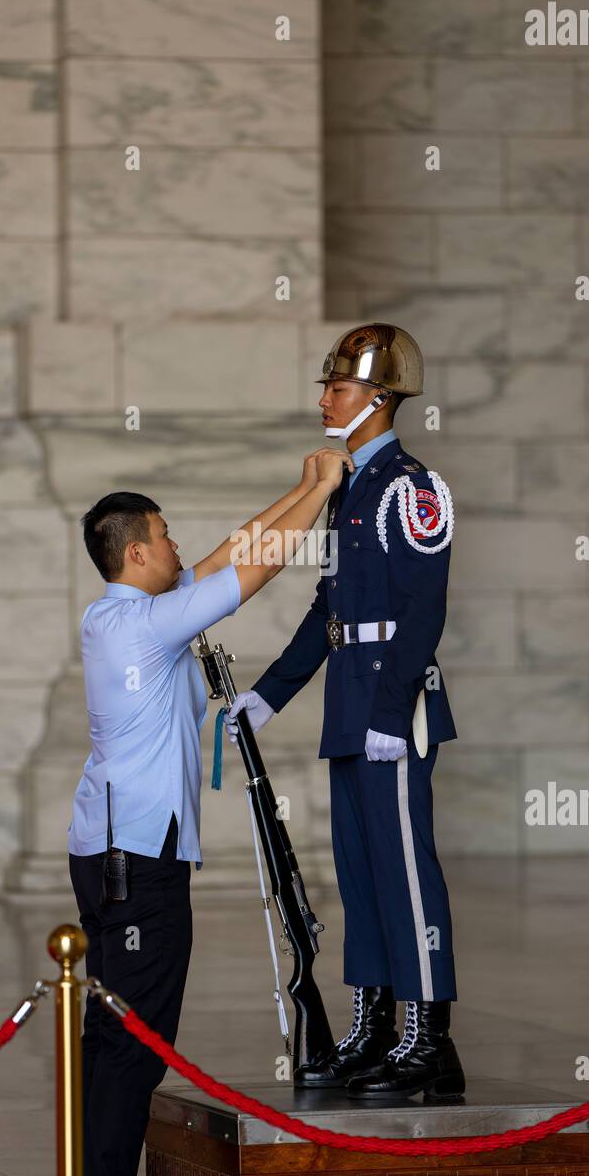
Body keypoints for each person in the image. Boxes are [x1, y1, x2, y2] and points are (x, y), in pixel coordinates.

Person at [68, 447, 353, 1176]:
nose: (178, 545)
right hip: (138, 856)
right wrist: (321, 493)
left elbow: (236, 550)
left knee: (109, 1030)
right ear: (135, 551)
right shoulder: (145, 627)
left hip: (104, 848)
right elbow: (250, 576)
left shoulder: (122, 614)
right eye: (164, 535)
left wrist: (305, 487)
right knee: (136, 1037)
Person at [226, 323, 466, 1102]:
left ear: (380, 399)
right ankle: (370, 1029)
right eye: (328, 385)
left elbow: (423, 614)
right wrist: (268, 693)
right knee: (360, 875)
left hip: (391, 706)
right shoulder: (350, 489)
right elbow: (328, 611)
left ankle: (427, 1037)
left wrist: (392, 715)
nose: (325, 396)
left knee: (406, 871)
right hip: (349, 704)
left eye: (339, 385)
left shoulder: (410, 488)